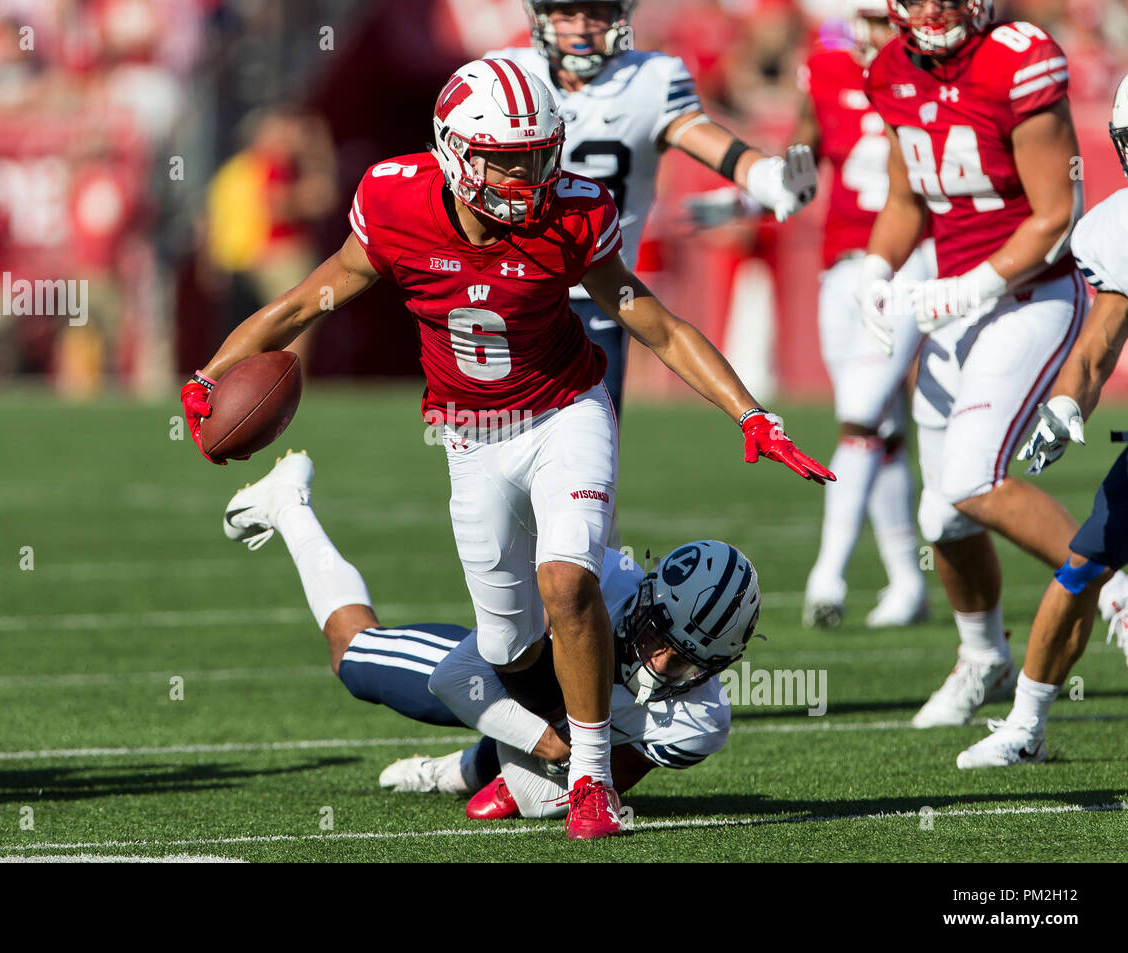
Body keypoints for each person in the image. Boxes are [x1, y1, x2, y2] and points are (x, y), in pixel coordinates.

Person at [181, 58, 832, 839]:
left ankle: (591, 784)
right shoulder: (395, 202)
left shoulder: (573, 213)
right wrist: (209, 376)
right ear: (456, 150)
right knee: (506, 651)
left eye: (538, 155)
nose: (529, 176)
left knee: (568, 580)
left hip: (567, 411)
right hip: (472, 435)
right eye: (508, 159)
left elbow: (654, 322)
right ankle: (494, 759)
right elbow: (301, 302)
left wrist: (752, 415)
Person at [222, 451, 759, 824]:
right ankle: (288, 504)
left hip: (549, 716)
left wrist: (546, 772)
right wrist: (542, 744)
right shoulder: (599, 583)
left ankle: (460, 768)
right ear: (645, 600)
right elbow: (459, 678)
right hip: (495, 673)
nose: (659, 663)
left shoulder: (700, 722)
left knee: (544, 794)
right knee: (354, 657)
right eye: (656, 636)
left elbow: (581, 787)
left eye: (685, 664)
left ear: (718, 667)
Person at [857, 1, 1125, 727]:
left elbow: (1054, 212)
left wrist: (970, 285)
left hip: (1030, 292)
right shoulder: (889, 68)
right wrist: (876, 270)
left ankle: (1116, 590)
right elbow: (907, 198)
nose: (935, 8)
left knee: (972, 479)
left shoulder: (1017, 55)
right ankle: (983, 655)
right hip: (956, 297)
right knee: (941, 518)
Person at [486, 0, 818, 418]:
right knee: (493, 448)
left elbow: (699, 134)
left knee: (587, 455)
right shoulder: (505, 71)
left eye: (595, 14)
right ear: (542, 16)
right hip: (509, 287)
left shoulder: (652, 78)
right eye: (567, 14)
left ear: (619, 16)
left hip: (600, 294)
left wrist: (766, 176)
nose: (581, 27)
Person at [956, 75, 1128, 768]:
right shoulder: (1117, 228)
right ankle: (1026, 725)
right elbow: (1099, 341)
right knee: (1084, 563)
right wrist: (1064, 404)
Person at [792, 0, 930, 628]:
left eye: (885, 18)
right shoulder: (825, 69)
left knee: (860, 414)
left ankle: (829, 572)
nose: (875, 33)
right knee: (882, 430)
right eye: (867, 18)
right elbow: (802, 156)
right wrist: (754, 190)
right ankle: (908, 581)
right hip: (840, 263)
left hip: (907, 263)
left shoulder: (934, 71)